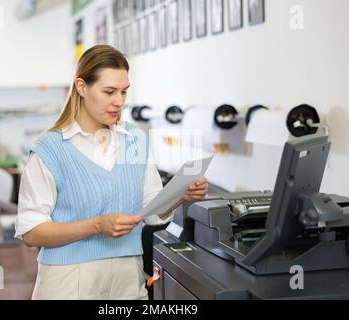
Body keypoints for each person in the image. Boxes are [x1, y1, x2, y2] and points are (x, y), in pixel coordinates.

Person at [15, 45, 208, 300]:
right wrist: (96, 225)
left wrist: (181, 196)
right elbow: (32, 232)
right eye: (109, 92)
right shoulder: (50, 150)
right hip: (68, 279)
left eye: (124, 92)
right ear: (82, 87)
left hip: (127, 275)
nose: (119, 101)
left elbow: (152, 213)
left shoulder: (135, 140)